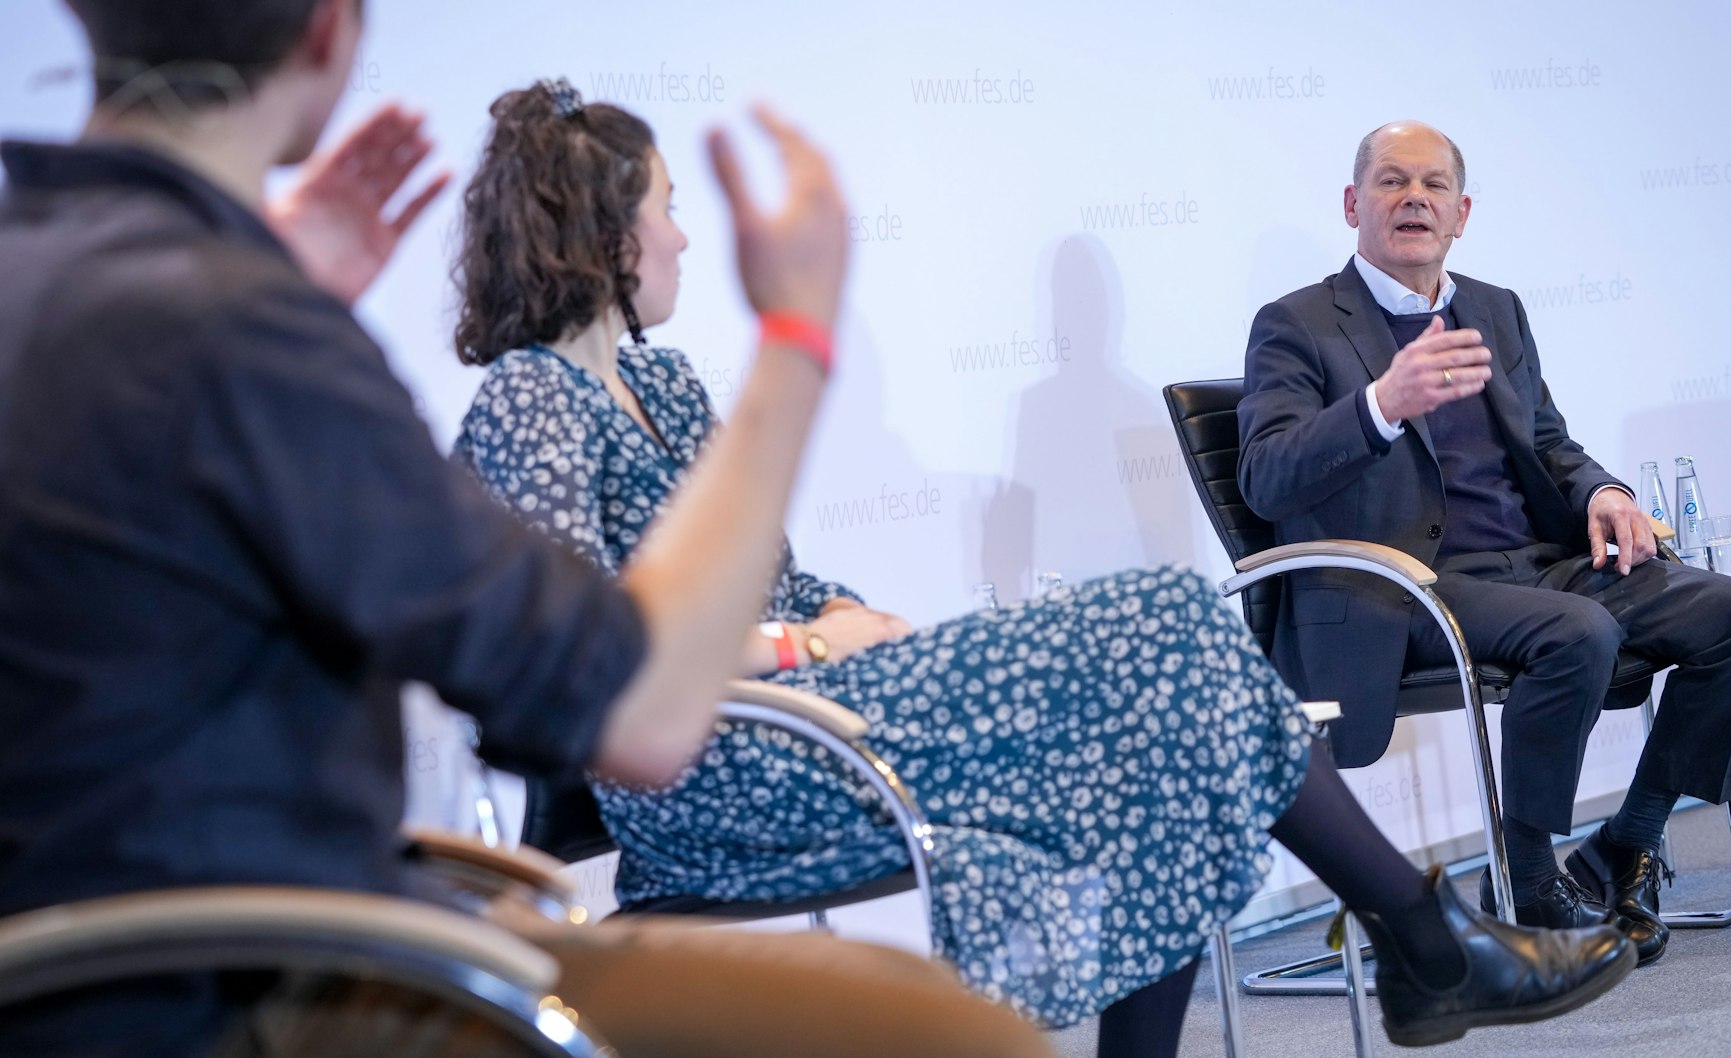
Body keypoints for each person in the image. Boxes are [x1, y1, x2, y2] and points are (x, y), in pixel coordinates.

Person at [450, 81, 1638, 1054]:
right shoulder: (528, 403)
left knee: (1163, 725)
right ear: (604, 234)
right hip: (718, 766)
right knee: (1167, 626)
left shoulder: (661, 383)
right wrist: (800, 644)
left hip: (806, 699)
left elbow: (764, 574)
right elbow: (572, 662)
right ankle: (1426, 943)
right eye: (664, 208)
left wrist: (836, 609)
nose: (684, 233)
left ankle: (1422, 942)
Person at [0, 1, 1055, 1055]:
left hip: (95, 964)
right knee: (954, 1034)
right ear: (331, 32)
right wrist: (795, 339)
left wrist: (279, 308)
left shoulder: (82, 287)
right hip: (248, 982)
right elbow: (635, 714)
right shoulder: (250, 337)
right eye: (667, 207)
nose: (681, 233)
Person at [1237, 120, 1731, 965]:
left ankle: (1623, 846)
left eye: (1432, 185)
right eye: (1390, 181)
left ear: (1462, 214)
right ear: (1354, 204)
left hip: (1537, 565)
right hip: (1406, 589)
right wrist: (1383, 404)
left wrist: (1604, 492)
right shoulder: (1297, 325)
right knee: (1580, 632)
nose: (1413, 197)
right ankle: (1527, 880)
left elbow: (1549, 442)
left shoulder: (1494, 308)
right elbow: (1267, 478)